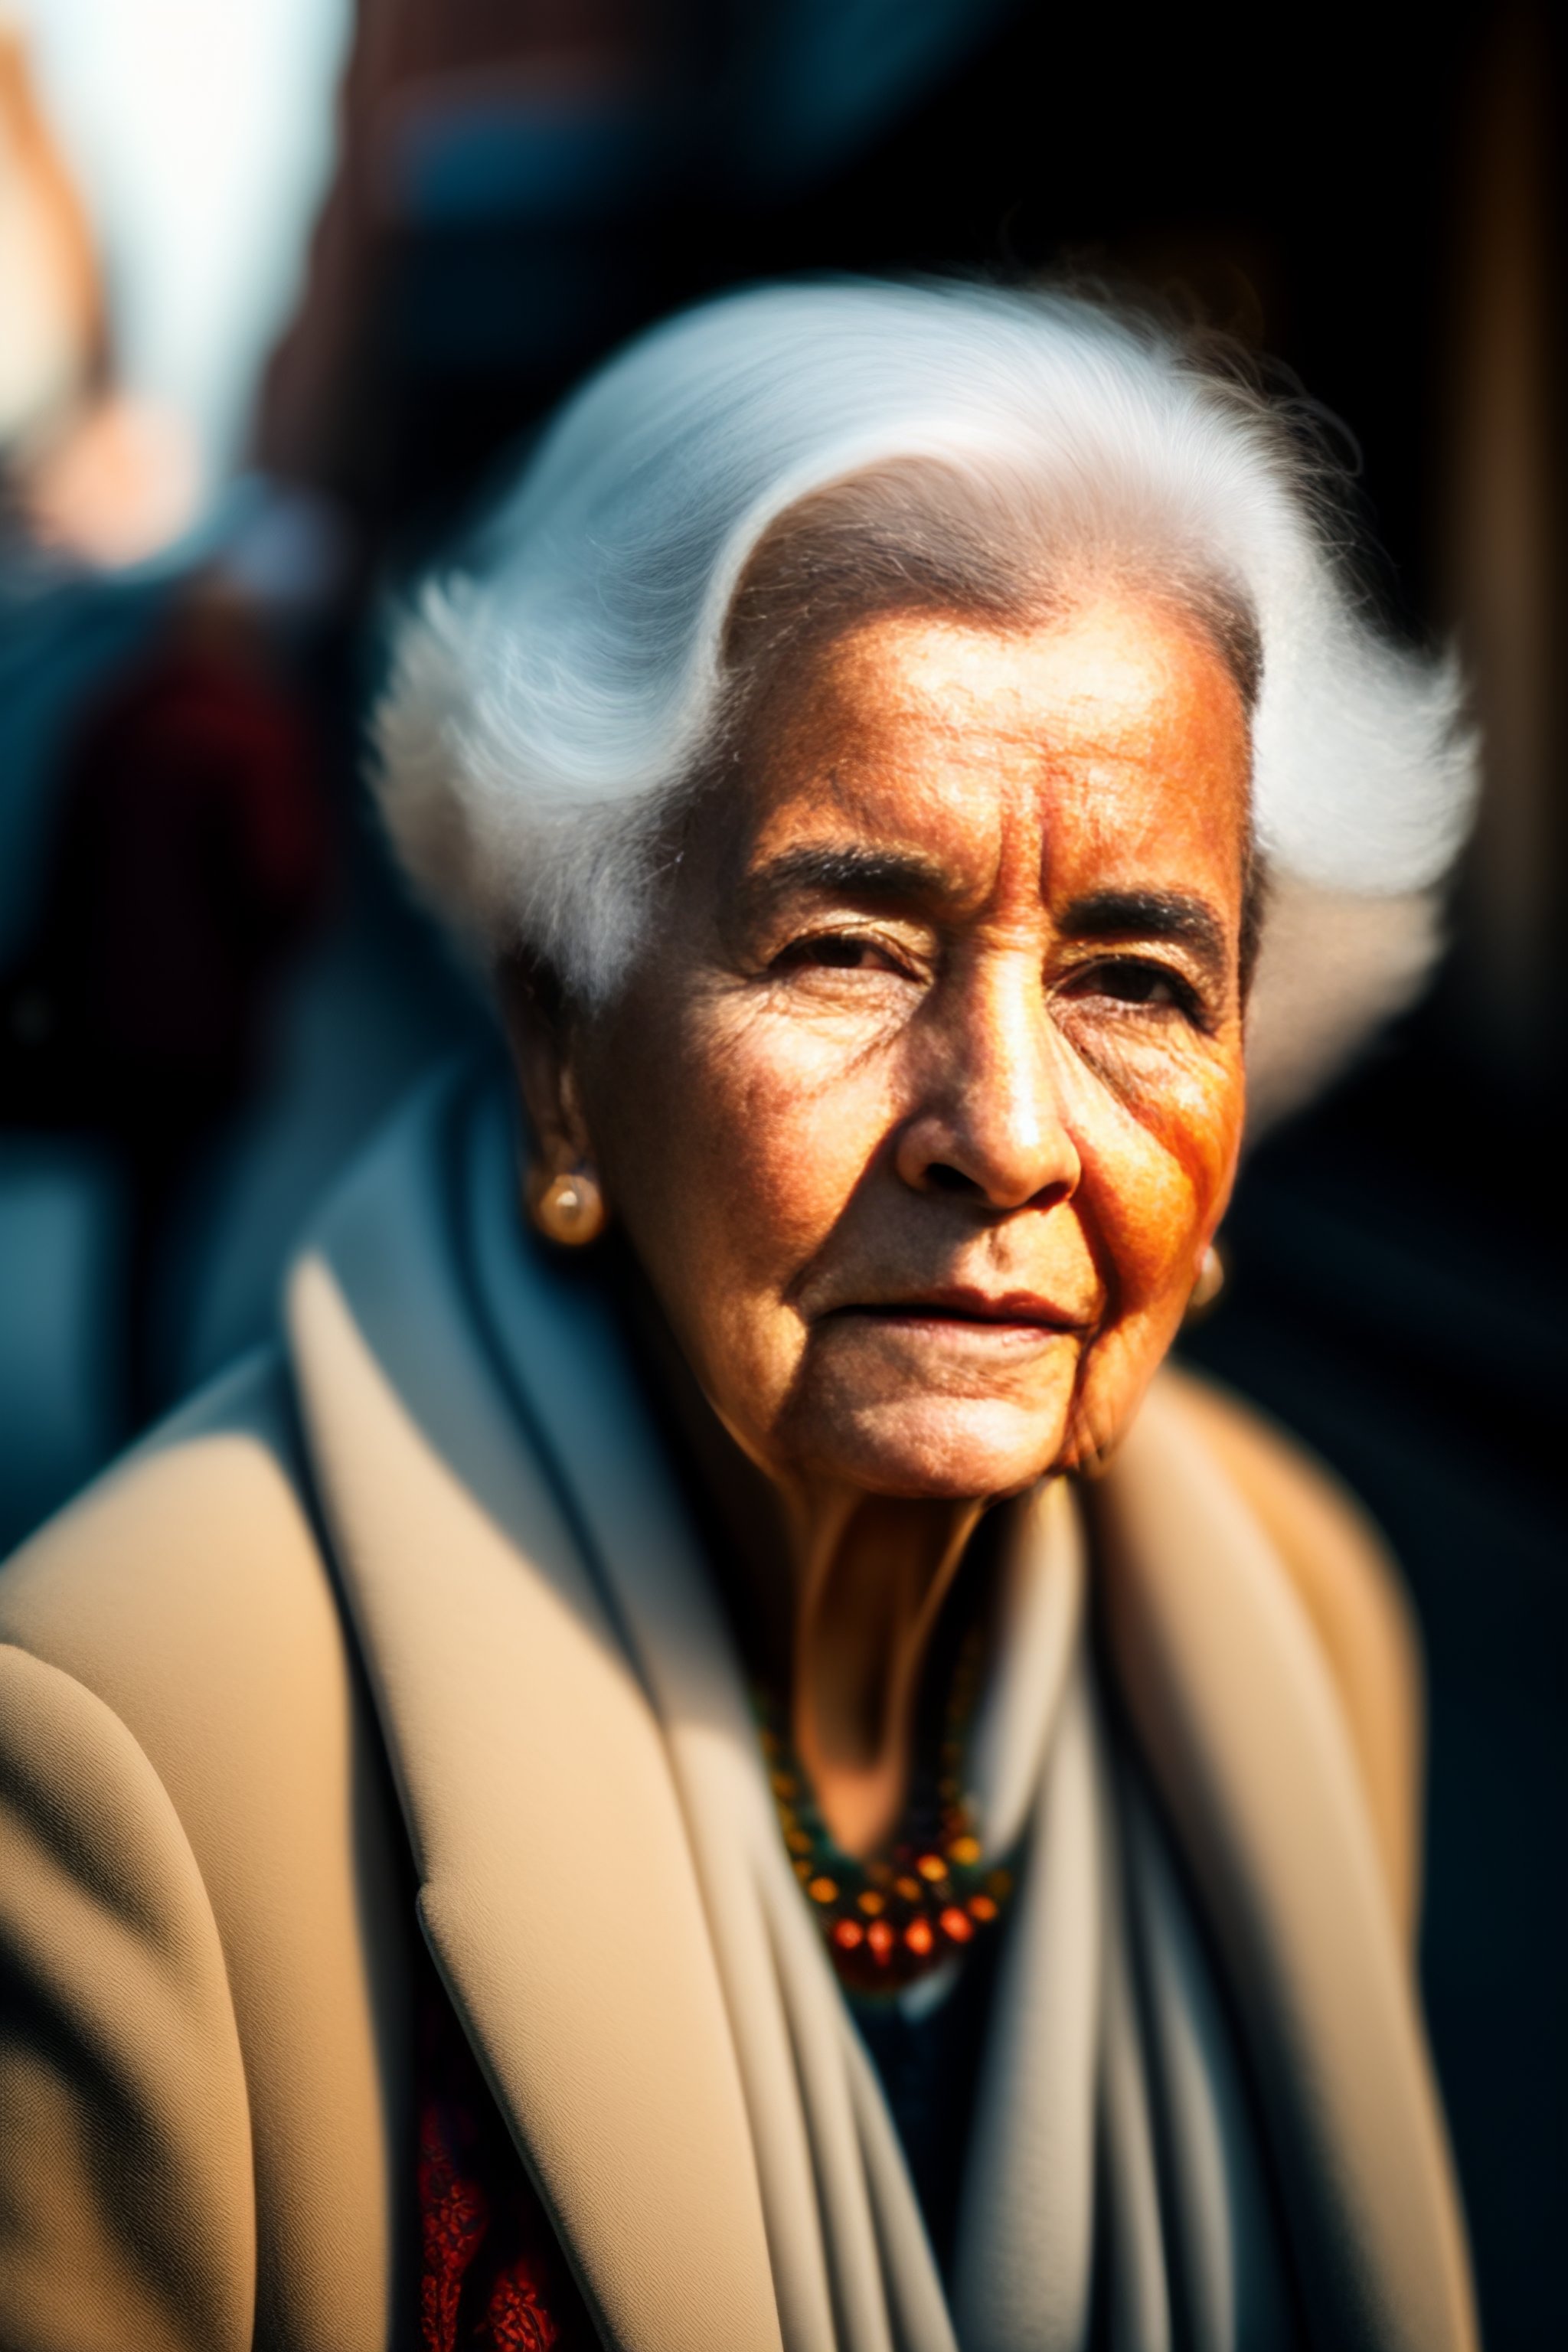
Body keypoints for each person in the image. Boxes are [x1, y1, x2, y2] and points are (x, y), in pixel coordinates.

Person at [0, 281, 1479, 2352]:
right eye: (849, 948)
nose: (1012, 1137)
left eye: (1140, 981)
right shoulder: (116, 1748)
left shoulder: (1309, 1617)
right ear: (561, 1046)